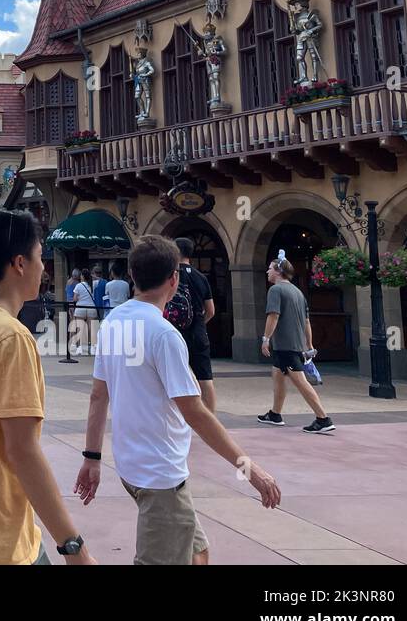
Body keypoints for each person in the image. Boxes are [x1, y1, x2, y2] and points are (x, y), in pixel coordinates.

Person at [77, 235, 282, 564]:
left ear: (132, 274)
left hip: (132, 466)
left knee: (196, 552)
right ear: (174, 279)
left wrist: (92, 457)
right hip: (160, 475)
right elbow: (196, 412)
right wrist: (251, 470)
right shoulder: (164, 334)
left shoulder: (113, 321)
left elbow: (97, 396)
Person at [0, 211, 96, 565]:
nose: (45, 268)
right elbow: (22, 450)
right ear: (20, 264)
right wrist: (74, 546)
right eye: (41, 258)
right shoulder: (11, 336)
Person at [257, 257, 334, 433]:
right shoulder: (298, 292)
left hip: (286, 344)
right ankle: (275, 414)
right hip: (295, 343)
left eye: (270, 268)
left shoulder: (275, 290)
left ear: (278, 271)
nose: (267, 271)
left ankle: (323, 419)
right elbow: (307, 321)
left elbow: (273, 315)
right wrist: (309, 344)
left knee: (300, 381)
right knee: (277, 373)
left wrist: (266, 338)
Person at [174, 238, 216, 413]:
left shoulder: (171, 275)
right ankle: (211, 417)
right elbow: (211, 310)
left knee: (174, 375)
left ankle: (179, 415)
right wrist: (199, 323)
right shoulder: (201, 277)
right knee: (205, 378)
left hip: (175, 332)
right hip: (198, 332)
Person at [70, 268, 97, 354]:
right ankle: (92, 347)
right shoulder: (93, 284)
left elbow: (74, 298)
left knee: (80, 328)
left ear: (82, 276)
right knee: (91, 328)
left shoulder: (78, 285)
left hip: (80, 307)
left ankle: (80, 348)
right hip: (91, 308)